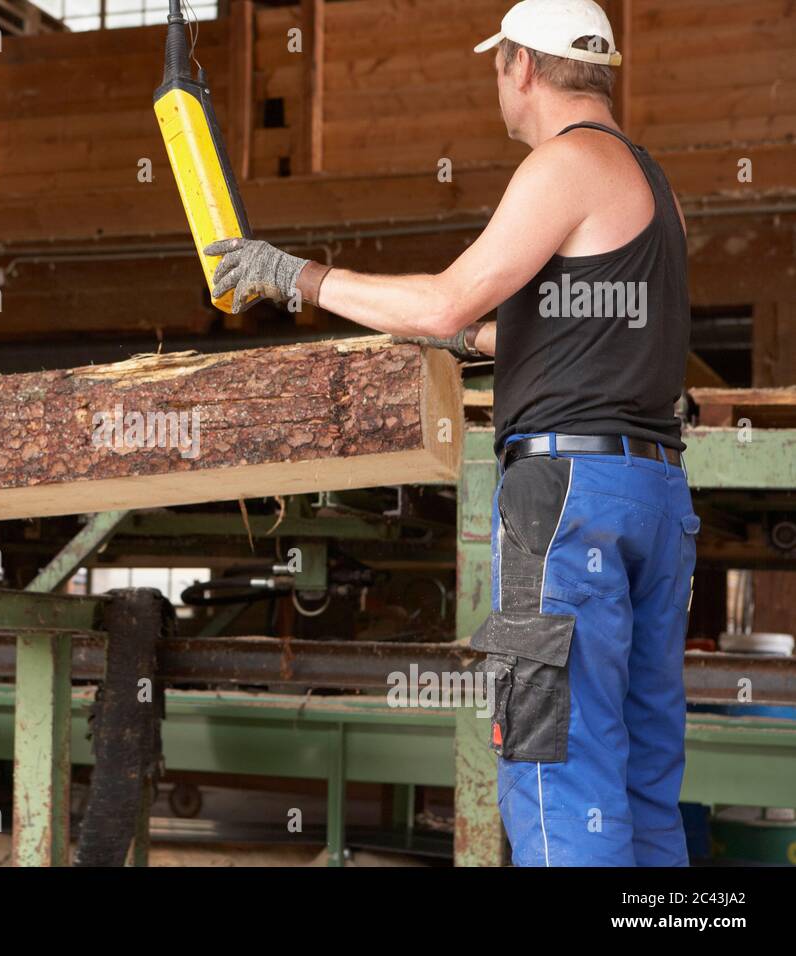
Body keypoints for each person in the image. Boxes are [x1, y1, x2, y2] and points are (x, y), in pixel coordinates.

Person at [205, 0, 696, 866]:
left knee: (557, 768)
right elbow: (574, 331)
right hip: (653, 496)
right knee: (643, 782)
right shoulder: (654, 185)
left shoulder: (564, 163)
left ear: (522, 66)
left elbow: (443, 295)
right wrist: (464, 339)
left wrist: (296, 275)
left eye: (497, 68)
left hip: (566, 505)